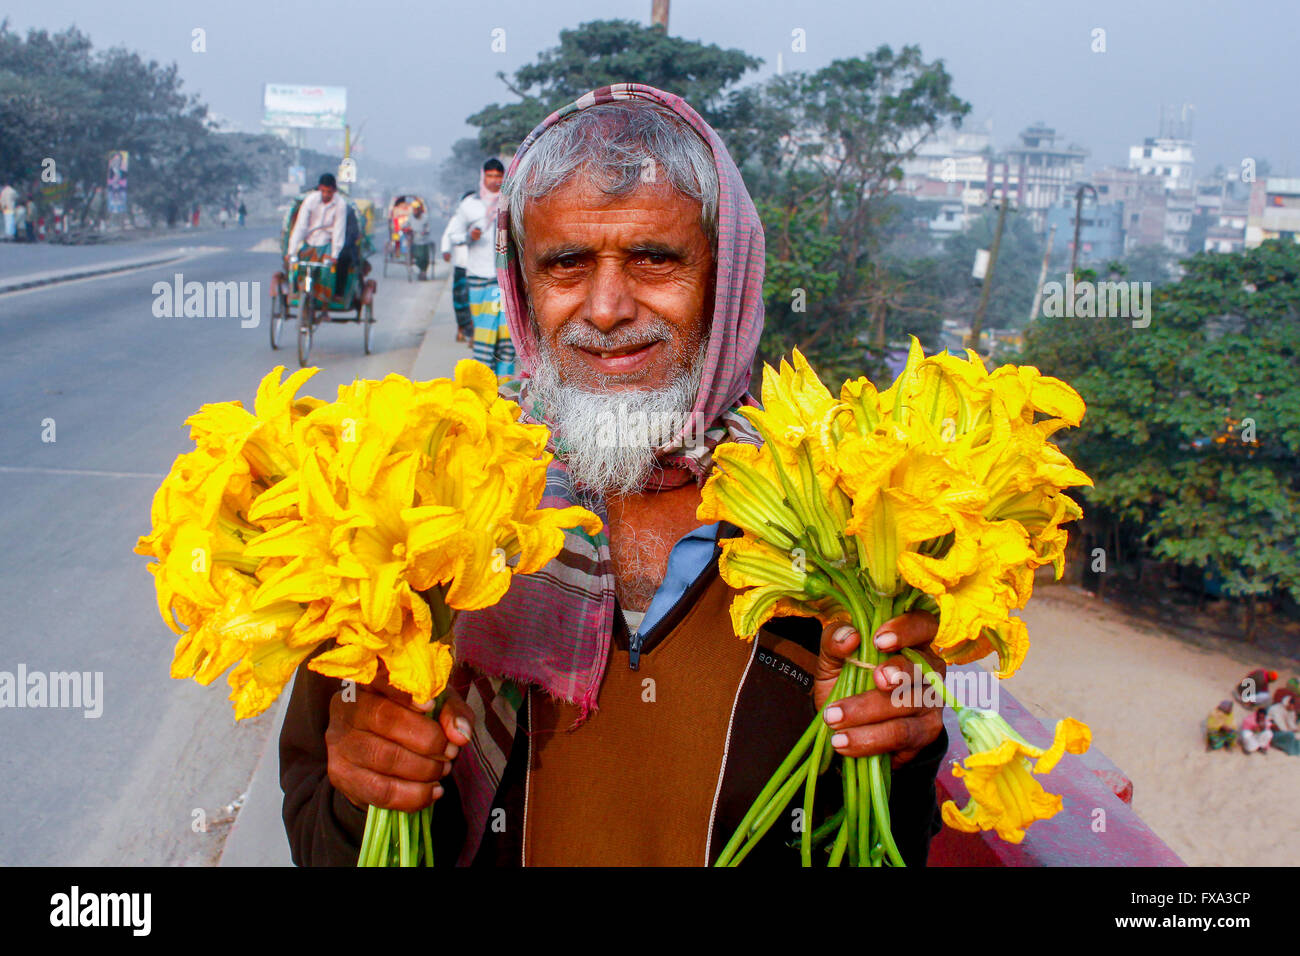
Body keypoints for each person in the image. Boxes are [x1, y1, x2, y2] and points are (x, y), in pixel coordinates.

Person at [280, 85, 948, 867]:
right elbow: (319, 838)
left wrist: (894, 753)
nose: (605, 308)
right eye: (566, 264)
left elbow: (878, 842)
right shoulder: (426, 504)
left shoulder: (840, 519)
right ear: (524, 290)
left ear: (724, 279)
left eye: (655, 259)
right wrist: (365, 788)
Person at [447, 159, 514, 376]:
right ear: (482, 177)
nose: (495, 180)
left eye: (498, 176)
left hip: (502, 282)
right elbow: (454, 235)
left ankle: (504, 392)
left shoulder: (512, 203)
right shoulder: (469, 206)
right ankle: (485, 388)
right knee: (485, 337)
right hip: (477, 279)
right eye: (490, 176)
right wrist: (469, 236)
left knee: (505, 340)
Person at [288, 173, 350, 297]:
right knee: (298, 267)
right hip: (310, 240)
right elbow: (301, 227)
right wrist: (292, 251)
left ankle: (325, 307)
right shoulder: (310, 200)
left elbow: (339, 230)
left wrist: (335, 255)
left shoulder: (340, 204)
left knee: (327, 274)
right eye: (323, 191)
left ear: (334, 191)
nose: (326, 195)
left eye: (329, 192)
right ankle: (297, 293)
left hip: (328, 242)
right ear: (319, 189)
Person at [441, 190, 476, 343]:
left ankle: (474, 330)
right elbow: (448, 236)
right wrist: (446, 250)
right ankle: (464, 328)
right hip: (461, 265)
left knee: (476, 301)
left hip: (478, 269)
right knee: (461, 300)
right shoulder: (458, 220)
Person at [404, 201, 436, 280]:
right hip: (414, 241)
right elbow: (406, 224)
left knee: (424, 258)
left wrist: (425, 231)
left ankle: (423, 272)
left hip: (424, 241)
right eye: (414, 209)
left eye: (416, 209)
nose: (415, 211)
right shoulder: (411, 217)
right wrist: (406, 228)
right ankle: (420, 270)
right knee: (417, 257)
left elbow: (428, 228)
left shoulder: (425, 218)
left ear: (419, 210)